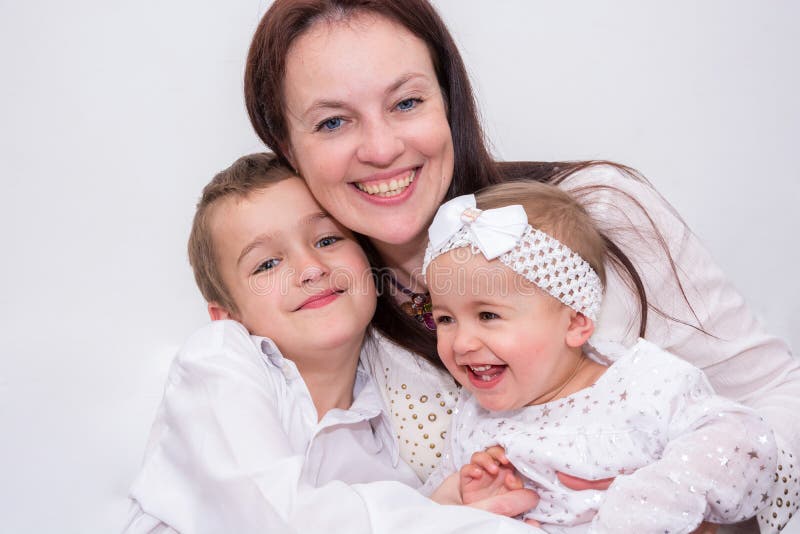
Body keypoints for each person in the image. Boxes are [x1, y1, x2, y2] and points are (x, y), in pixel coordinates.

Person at [243, 2, 799, 531]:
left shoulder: (595, 215)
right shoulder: (337, 312)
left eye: (406, 102)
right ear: (288, 148)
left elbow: (778, 391)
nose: (382, 148)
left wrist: (698, 512)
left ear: (448, 101)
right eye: (334, 122)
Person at [124, 153, 542, 534]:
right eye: (267, 264)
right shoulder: (218, 362)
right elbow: (276, 518)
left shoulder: (395, 417)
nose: (310, 268)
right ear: (228, 317)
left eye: (327, 240)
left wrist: (452, 504)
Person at [420, 182, 777, 532]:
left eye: (488, 316)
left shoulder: (642, 386)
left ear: (575, 322)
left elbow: (743, 439)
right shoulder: (473, 417)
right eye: (445, 319)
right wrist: (461, 504)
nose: (462, 342)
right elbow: (412, 514)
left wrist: (655, 499)